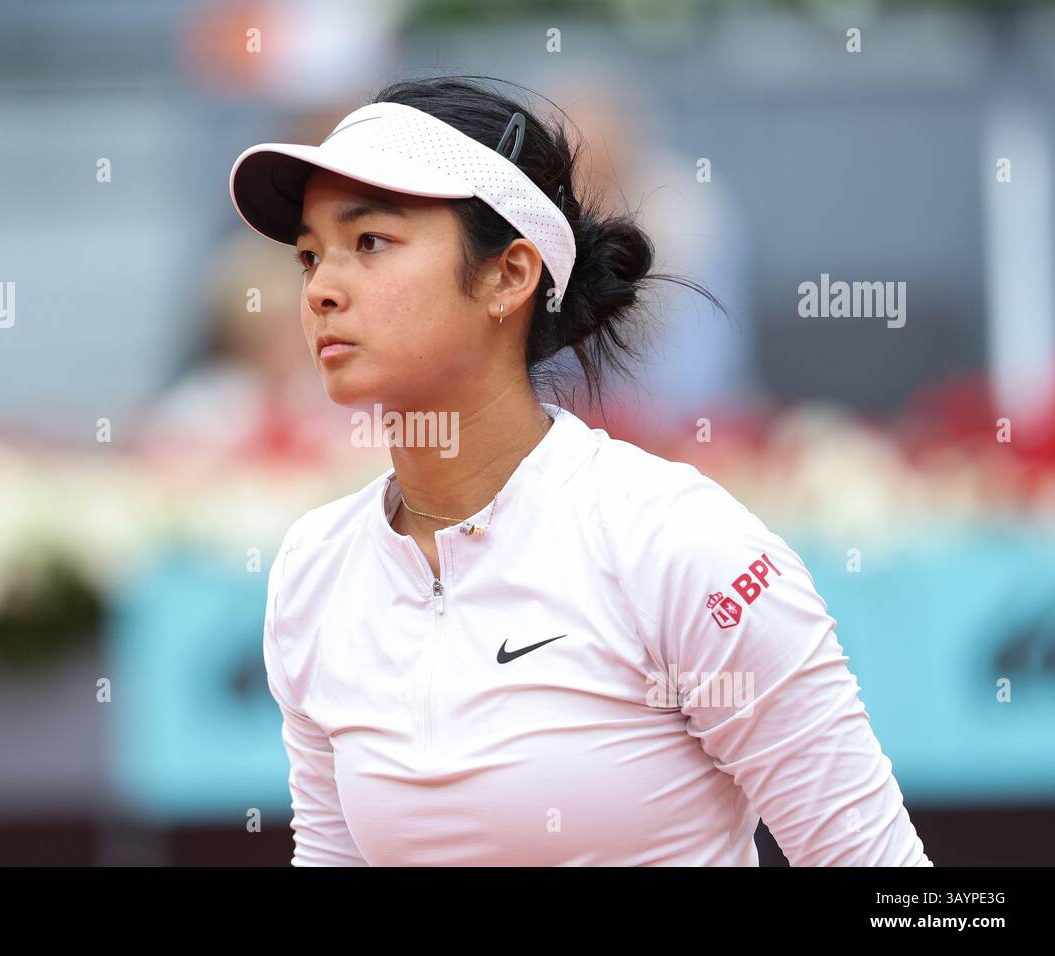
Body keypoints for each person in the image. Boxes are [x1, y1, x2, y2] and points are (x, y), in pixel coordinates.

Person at [228, 74, 932, 866]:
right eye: (309, 256)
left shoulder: (677, 543)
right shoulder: (312, 570)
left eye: (370, 243)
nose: (321, 288)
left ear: (509, 275)